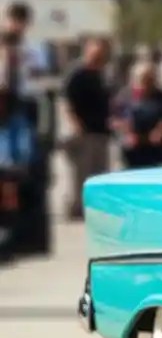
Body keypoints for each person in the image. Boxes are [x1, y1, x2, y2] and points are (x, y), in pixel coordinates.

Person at [62, 37, 114, 220]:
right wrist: (76, 126)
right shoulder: (77, 74)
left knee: (100, 172)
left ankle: (96, 207)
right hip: (83, 131)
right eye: (96, 54)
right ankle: (77, 208)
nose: (99, 58)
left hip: (101, 131)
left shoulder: (102, 75)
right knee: (81, 174)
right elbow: (67, 102)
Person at [113, 61, 162, 169]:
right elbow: (116, 120)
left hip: (159, 150)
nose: (147, 84)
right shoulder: (124, 97)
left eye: (150, 80)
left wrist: (161, 131)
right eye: (143, 80)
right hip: (132, 151)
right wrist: (127, 133)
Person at [0, 67, 36, 260]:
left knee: (8, 187)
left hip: (11, 170)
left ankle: (8, 233)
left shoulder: (17, 122)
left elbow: (24, 149)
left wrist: (18, 163)